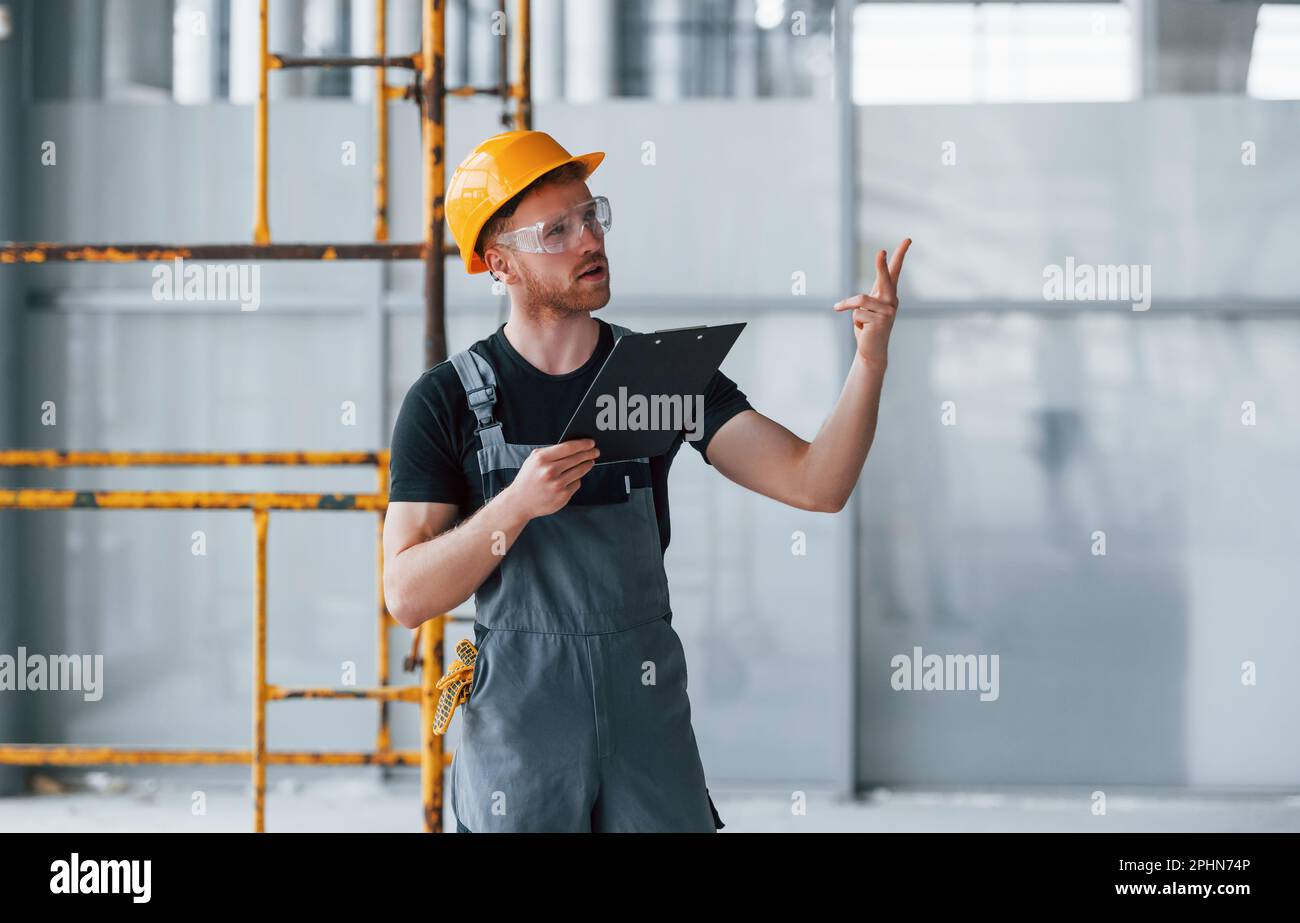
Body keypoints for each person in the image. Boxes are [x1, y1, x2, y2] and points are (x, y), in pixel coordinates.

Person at [383, 129, 910, 833]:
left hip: (645, 714)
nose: (589, 239)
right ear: (499, 263)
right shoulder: (446, 400)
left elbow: (817, 483)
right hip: (522, 723)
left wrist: (869, 362)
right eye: (557, 230)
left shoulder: (660, 377)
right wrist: (516, 505)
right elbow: (406, 594)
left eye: (592, 214)